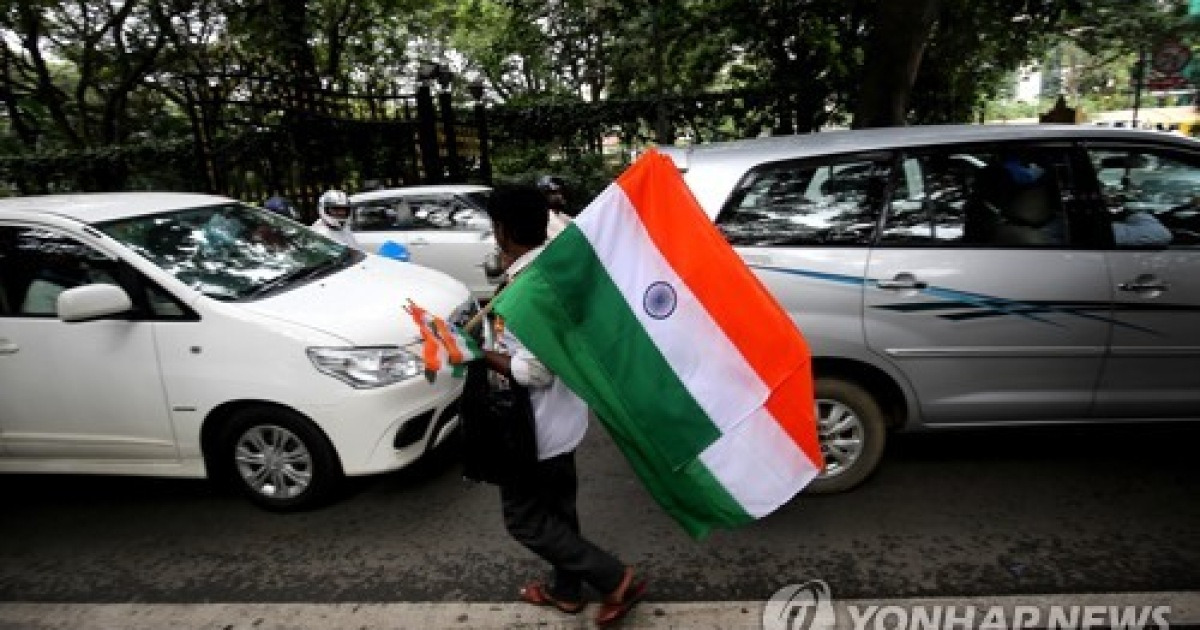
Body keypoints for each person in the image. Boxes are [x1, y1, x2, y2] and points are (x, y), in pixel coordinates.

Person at [481, 185, 646, 627]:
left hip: (533, 429)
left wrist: (476, 354)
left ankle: (615, 579)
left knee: (525, 521)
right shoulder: (548, 271)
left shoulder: (526, 291)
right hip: (564, 421)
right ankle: (566, 591)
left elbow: (536, 371)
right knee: (558, 513)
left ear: (501, 229)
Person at [536, 175, 575, 240]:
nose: (560, 195)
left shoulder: (568, 219)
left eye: (560, 191)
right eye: (554, 192)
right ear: (544, 195)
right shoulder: (540, 221)